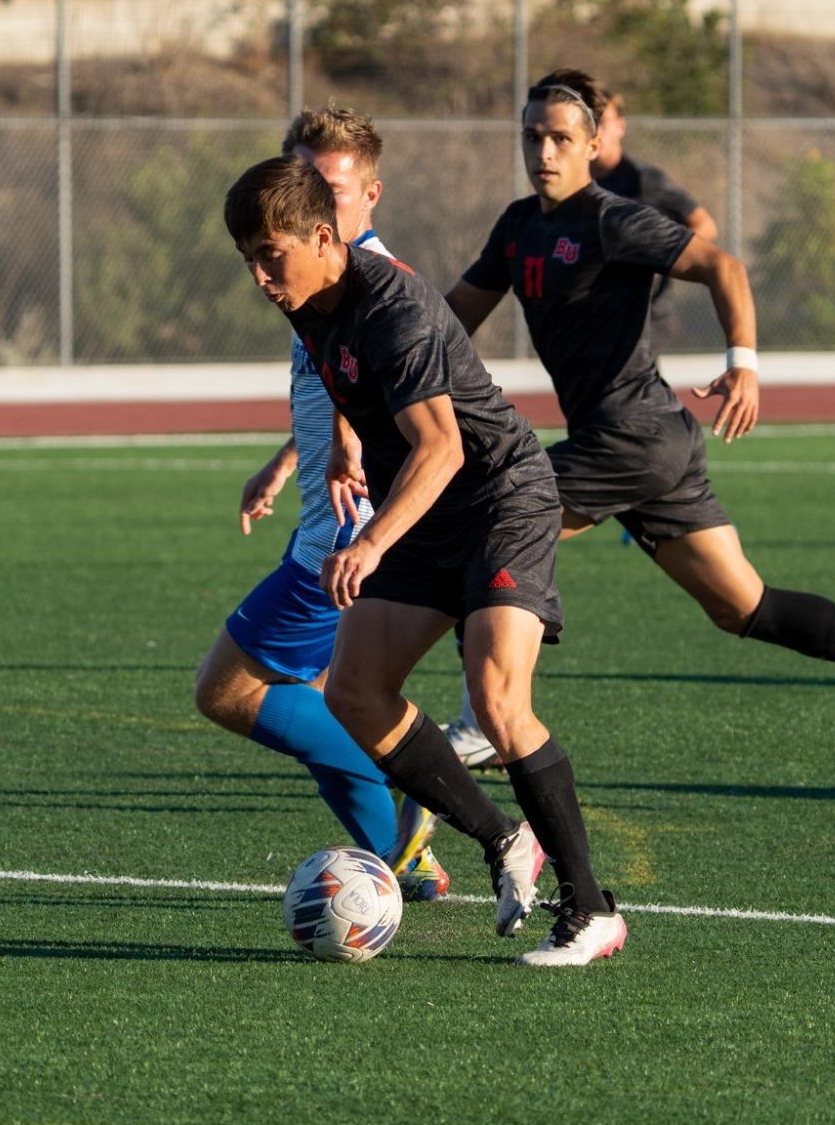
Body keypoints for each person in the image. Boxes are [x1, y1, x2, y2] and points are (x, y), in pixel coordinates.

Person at [439, 71, 835, 771]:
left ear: (593, 145)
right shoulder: (518, 226)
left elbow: (722, 265)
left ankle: (487, 714)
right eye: (533, 135)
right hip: (655, 442)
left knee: (499, 518)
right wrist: (392, 349)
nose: (544, 150)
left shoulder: (609, 218)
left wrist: (743, 363)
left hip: (628, 437)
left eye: (561, 137)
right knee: (744, 606)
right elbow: (454, 320)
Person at [224, 154, 628, 966]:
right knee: (355, 691)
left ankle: (591, 911)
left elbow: (441, 447)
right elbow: (350, 387)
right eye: (249, 261)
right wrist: (342, 448)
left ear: (322, 235)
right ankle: (503, 838)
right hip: (430, 509)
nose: (263, 277)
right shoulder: (309, 299)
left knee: (498, 698)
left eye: (272, 255)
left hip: (500, 499)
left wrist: (371, 540)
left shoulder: (395, 305)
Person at [193, 107, 448, 901]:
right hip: (326, 517)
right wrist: (288, 458)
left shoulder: (366, 283)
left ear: (368, 195)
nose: (316, 205)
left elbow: (384, 389)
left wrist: (346, 445)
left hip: (346, 533)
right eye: (303, 182)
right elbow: (333, 382)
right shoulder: (304, 276)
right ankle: (404, 856)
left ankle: (409, 779)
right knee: (320, 693)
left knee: (228, 691)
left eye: (331, 190)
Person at [589, 73, 718, 355]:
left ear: (620, 126)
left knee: (628, 390)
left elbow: (704, 224)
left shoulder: (643, 180)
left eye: (603, 121)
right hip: (596, 309)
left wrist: (663, 257)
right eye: (589, 121)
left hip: (645, 314)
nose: (595, 130)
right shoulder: (577, 184)